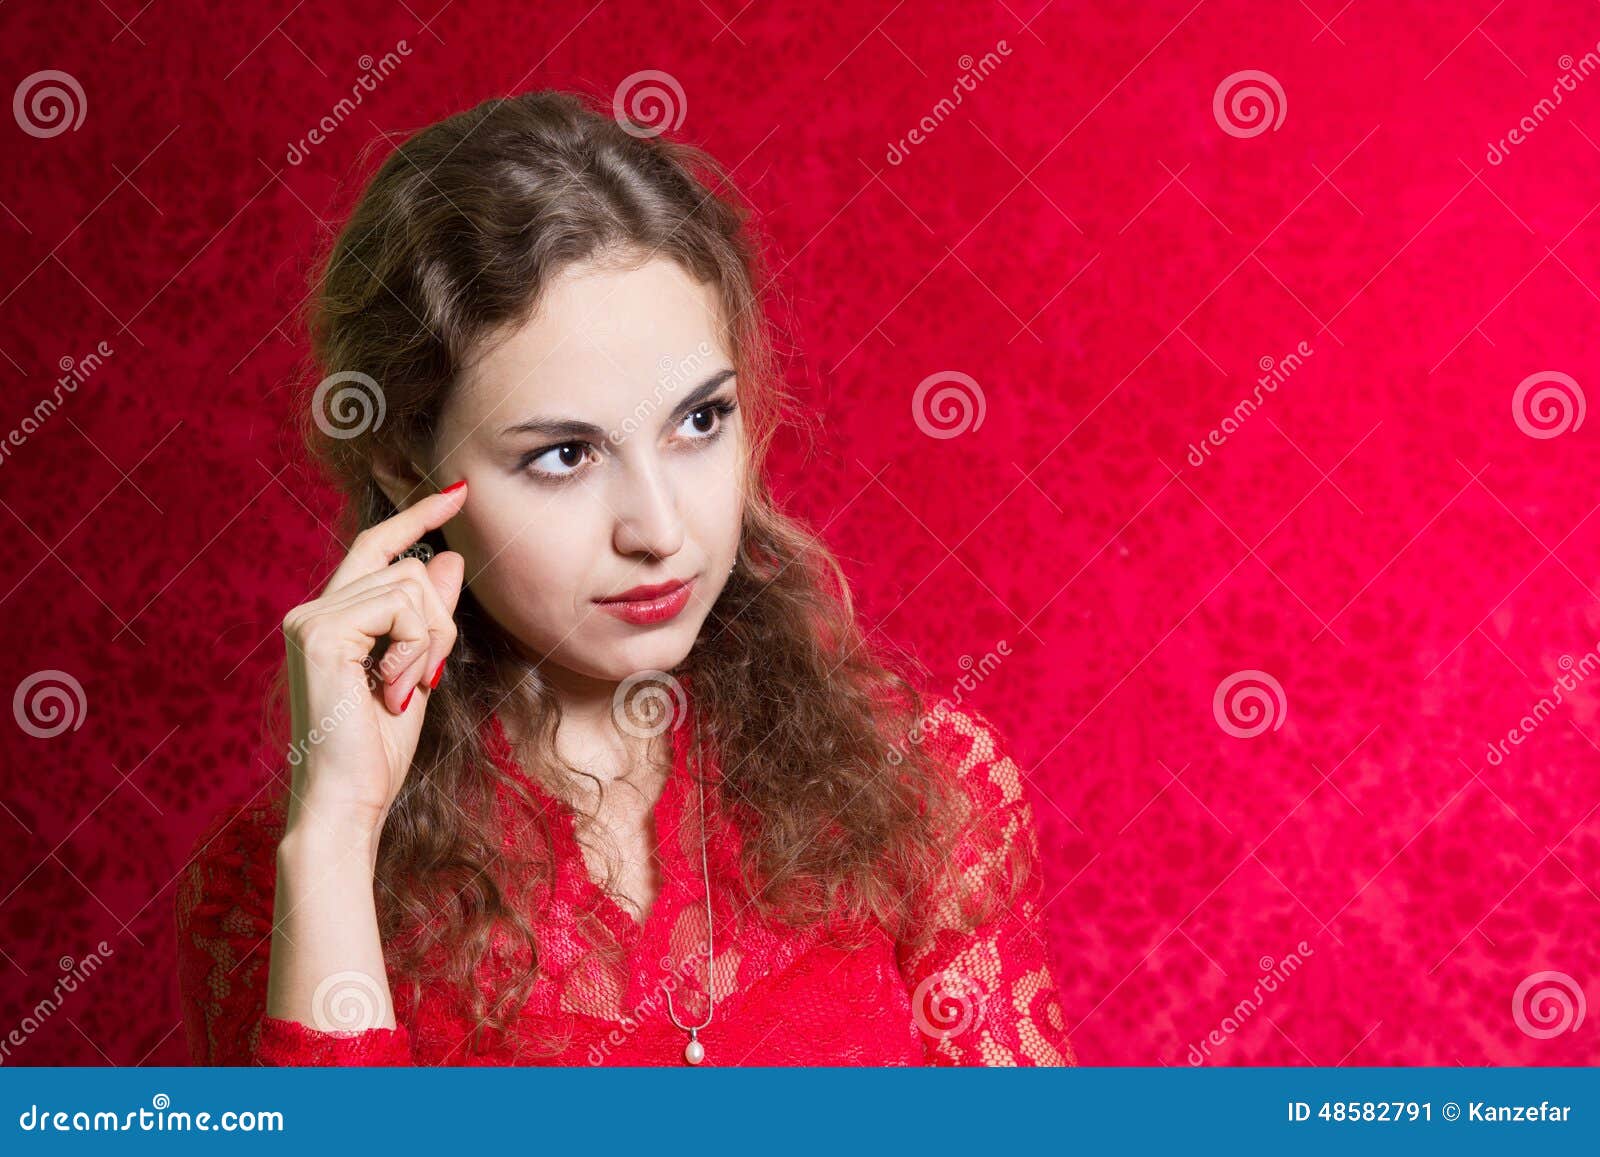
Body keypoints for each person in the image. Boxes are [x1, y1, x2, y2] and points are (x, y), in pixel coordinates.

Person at [173, 89, 1078, 1067]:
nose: (659, 528)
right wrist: (337, 837)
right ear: (403, 461)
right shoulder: (271, 889)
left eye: (698, 422)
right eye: (564, 454)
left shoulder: (923, 790)